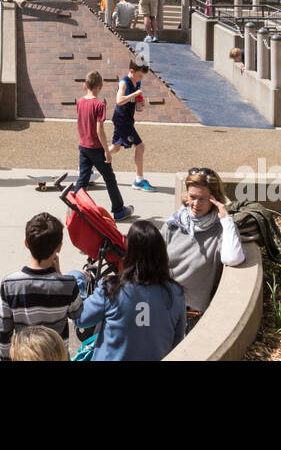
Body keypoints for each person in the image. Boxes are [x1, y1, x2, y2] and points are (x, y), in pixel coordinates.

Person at [78, 219, 187, 361]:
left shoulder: (112, 288)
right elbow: (178, 340)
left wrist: (78, 280)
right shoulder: (176, 292)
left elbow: (81, 318)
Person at [162, 168, 246, 325]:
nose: (196, 204)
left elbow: (233, 258)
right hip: (161, 306)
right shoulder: (173, 224)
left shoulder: (220, 231)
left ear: (215, 199)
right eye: (192, 197)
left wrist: (226, 219)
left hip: (191, 315)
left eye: (203, 199)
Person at [0, 212, 83, 361]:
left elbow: (4, 334)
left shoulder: (10, 285)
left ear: (26, 243)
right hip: (58, 356)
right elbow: (77, 314)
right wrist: (60, 275)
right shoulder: (68, 285)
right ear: (59, 247)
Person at [74, 70, 133, 222]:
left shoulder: (80, 102)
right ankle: (119, 210)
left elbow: (80, 122)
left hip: (83, 146)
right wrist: (107, 151)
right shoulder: (99, 105)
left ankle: (74, 206)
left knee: (83, 178)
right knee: (109, 178)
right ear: (100, 86)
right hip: (96, 148)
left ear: (84, 86)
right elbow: (99, 130)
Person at [108, 61, 153, 192]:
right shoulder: (124, 82)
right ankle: (139, 180)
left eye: (142, 77)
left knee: (115, 148)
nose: (141, 79)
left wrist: (141, 102)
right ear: (132, 71)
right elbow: (119, 100)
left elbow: (135, 102)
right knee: (140, 146)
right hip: (122, 120)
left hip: (127, 119)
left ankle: (91, 161)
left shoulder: (137, 82)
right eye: (139, 75)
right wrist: (134, 94)